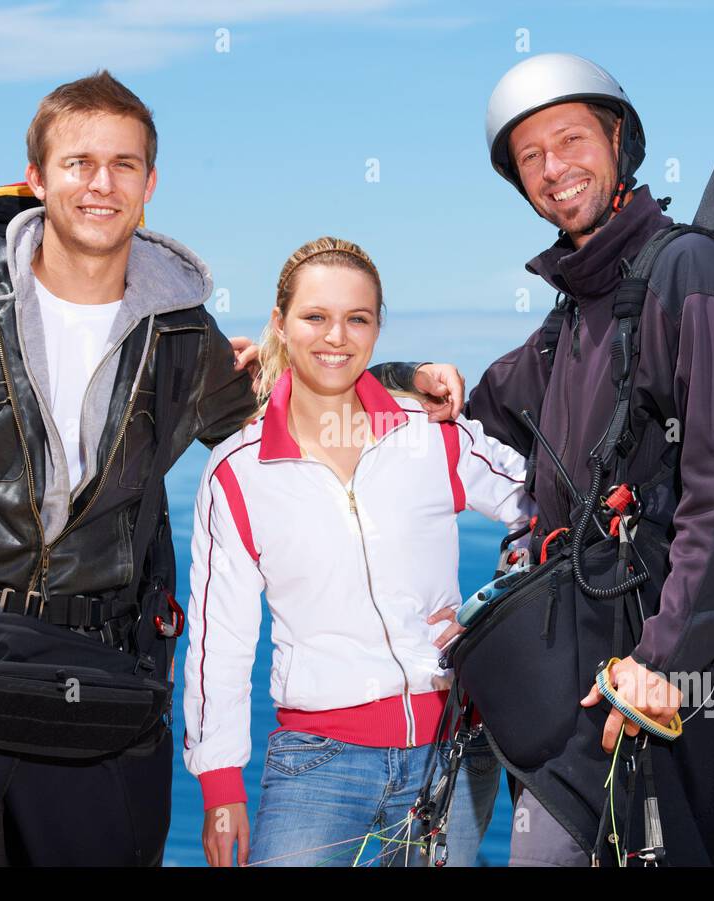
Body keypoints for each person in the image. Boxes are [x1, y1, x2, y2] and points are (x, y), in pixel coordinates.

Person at [0, 71, 465, 866]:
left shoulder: (179, 329)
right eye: (78, 163)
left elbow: (278, 421)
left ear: (149, 184)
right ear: (37, 178)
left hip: (98, 678)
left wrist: (399, 379)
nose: (101, 185)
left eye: (124, 165)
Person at [462, 53, 714, 865]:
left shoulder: (687, 272)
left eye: (570, 140)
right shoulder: (577, 308)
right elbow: (484, 406)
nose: (552, 169)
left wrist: (662, 660)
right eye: (531, 158)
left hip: (639, 676)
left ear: (619, 140)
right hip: (579, 668)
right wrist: (379, 379)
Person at [183, 237, 533, 867]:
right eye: (315, 317)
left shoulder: (431, 434)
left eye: (357, 319)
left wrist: (496, 609)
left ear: (377, 330)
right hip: (317, 761)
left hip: (452, 753)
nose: (335, 337)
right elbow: (219, 641)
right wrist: (219, 784)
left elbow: (549, 513)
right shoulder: (237, 469)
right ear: (280, 325)